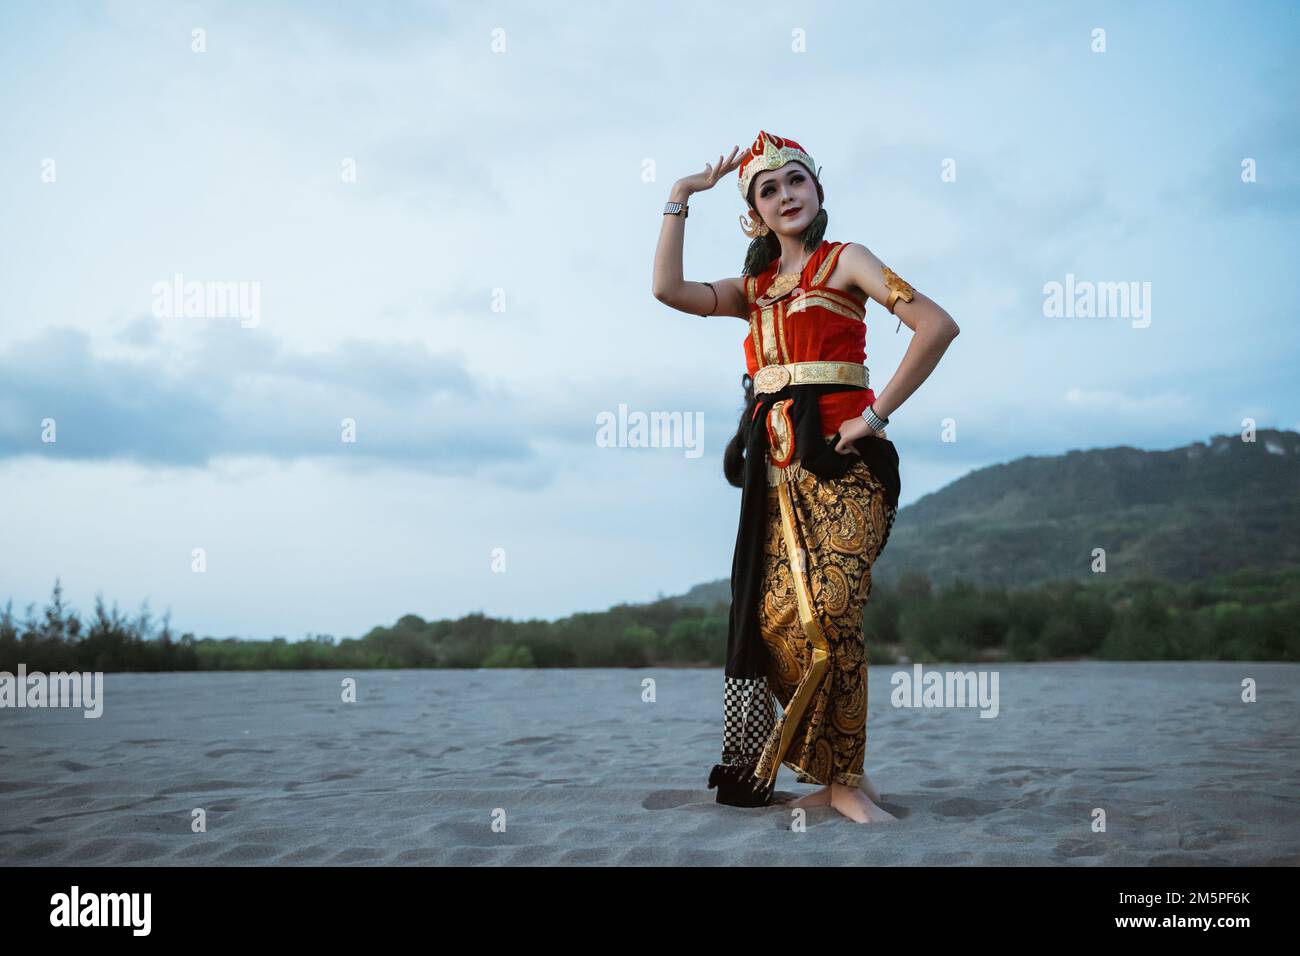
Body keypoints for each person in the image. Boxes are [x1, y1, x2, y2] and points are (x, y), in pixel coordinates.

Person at [652, 130, 960, 823]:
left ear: (817, 192)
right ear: (754, 212)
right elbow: (667, 289)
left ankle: (844, 782)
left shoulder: (847, 261)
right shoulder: (754, 289)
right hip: (777, 481)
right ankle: (836, 775)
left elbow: (936, 326)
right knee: (774, 624)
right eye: (768, 189)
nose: (784, 195)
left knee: (832, 609)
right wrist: (679, 196)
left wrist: (875, 417)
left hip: (845, 466)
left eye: (796, 181)